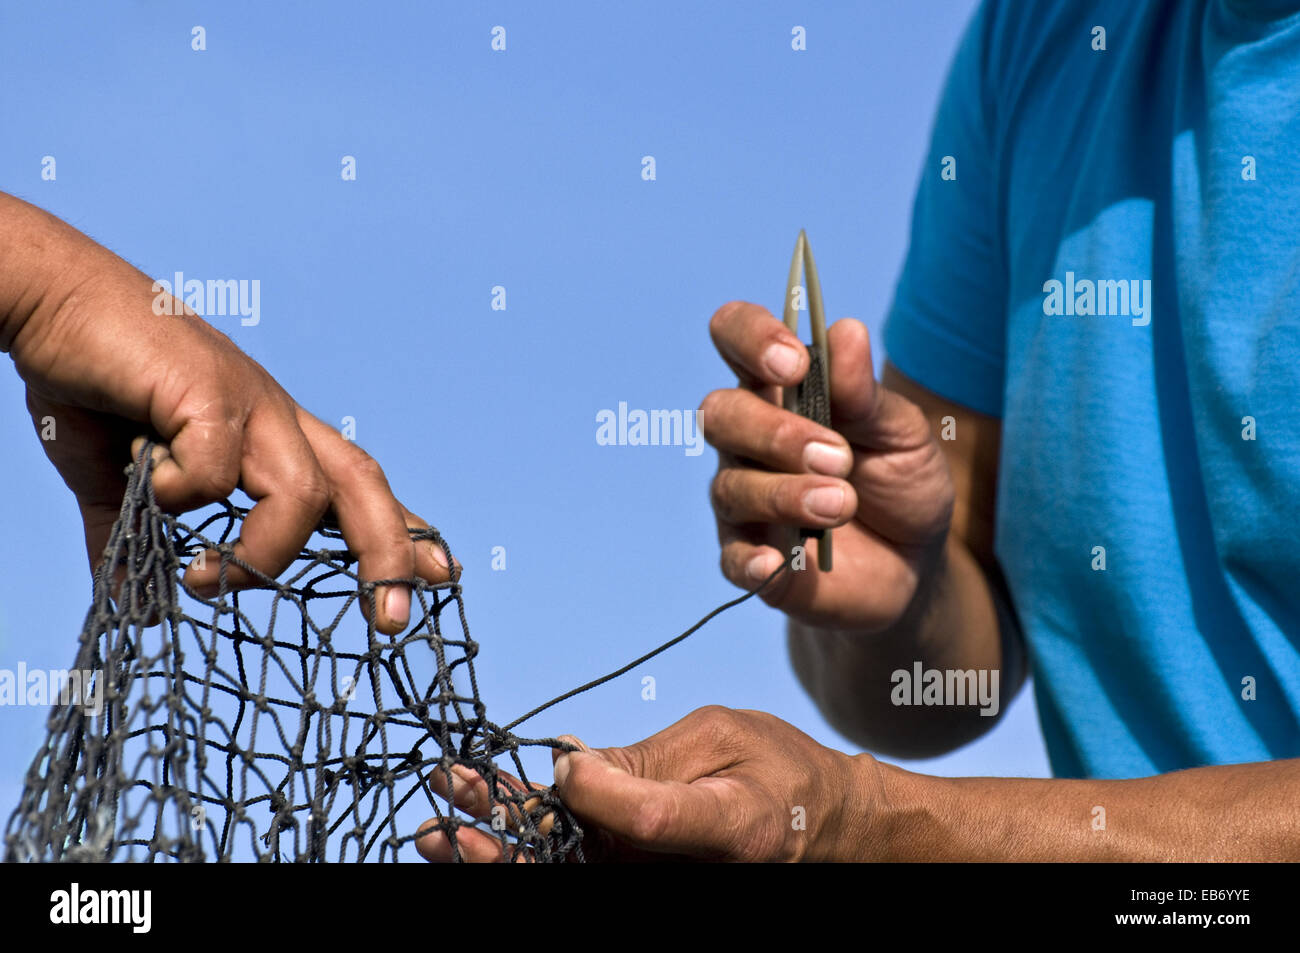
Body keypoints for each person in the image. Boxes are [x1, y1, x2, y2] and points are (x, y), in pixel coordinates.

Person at [418, 0, 1300, 861]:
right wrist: (906, 598)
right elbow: (952, 682)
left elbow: (876, 821)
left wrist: (872, 825)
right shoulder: (1038, 35)